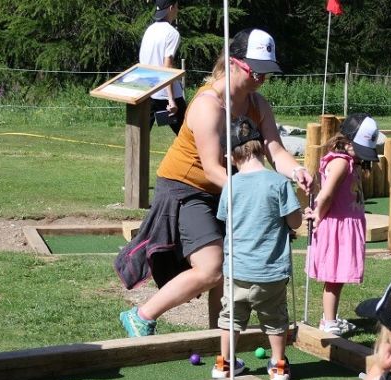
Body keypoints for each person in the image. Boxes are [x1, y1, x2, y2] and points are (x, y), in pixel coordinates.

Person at [115, 28, 314, 337]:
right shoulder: (208, 105)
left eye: (267, 71)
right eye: (256, 70)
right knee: (211, 268)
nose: (262, 78)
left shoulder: (258, 105)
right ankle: (141, 315)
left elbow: (276, 149)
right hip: (186, 188)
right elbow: (210, 169)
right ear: (235, 63)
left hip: (229, 189)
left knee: (227, 271)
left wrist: (296, 170)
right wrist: (257, 195)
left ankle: (217, 339)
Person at [213, 116, 302, 380]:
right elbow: (295, 221)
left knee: (230, 316)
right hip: (271, 272)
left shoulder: (230, 185)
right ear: (262, 146)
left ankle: (224, 363)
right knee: (275, 319)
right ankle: (278, 365)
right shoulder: (279, 183)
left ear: (230, 155)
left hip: (237, 269)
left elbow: (225, 219)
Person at [304, 113, 383, 336]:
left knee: (337, 277)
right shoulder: (340, 163)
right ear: (346, 141)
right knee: (334, 277)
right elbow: (327, 194)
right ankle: (329, 323)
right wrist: (318, 214)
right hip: (337, 227)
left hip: (344, 224)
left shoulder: (350, 161)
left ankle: (330, 318)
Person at [140, 0, 186, 135]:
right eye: (177, 6)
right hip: (166, 95)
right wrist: (171, 99)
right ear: (171, 8)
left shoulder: (150, 30)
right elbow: (167, 65)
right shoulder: (172, 33)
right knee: (188, 137)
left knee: (140, 136)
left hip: (148, 91)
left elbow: (147, 59)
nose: (177, 9)